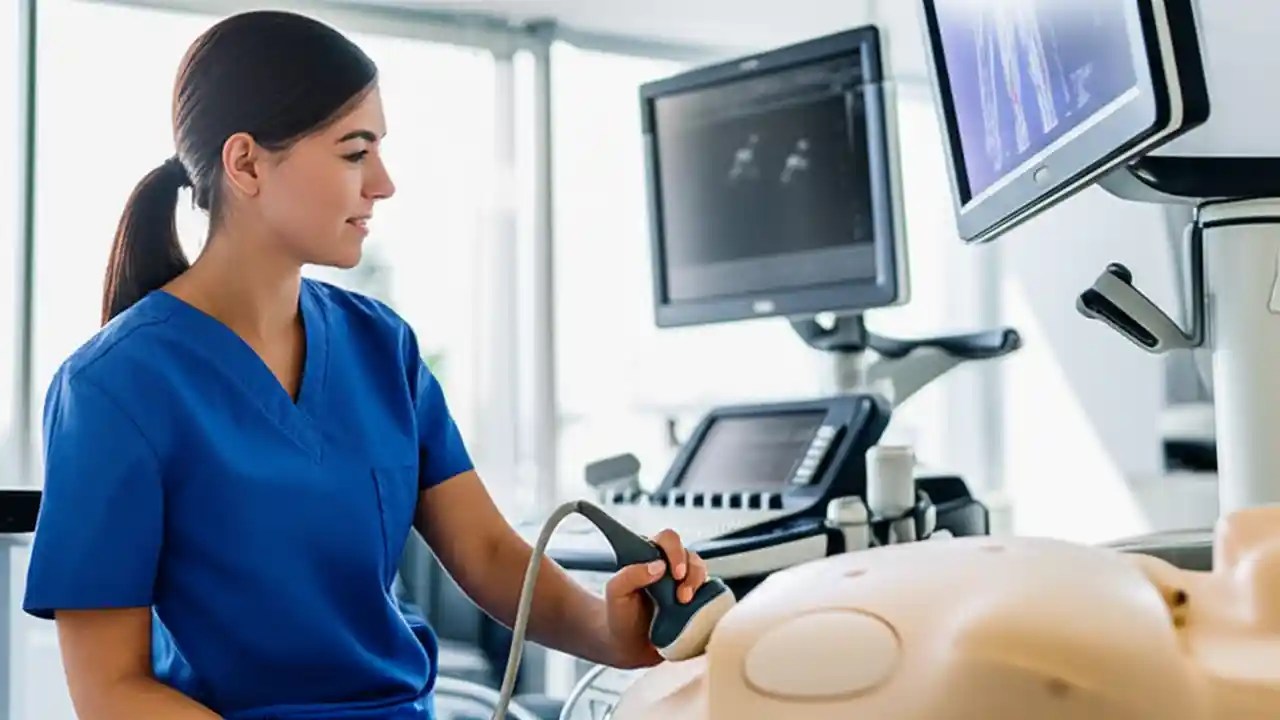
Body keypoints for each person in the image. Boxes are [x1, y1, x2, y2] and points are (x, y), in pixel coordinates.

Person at [22, 10, 710, 719]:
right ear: (247, 163)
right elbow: (110, 691)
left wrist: (610, 627)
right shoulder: (112, 387)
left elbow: (489, 555)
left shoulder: (382, 346)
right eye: (355, 152)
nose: (383, 183)